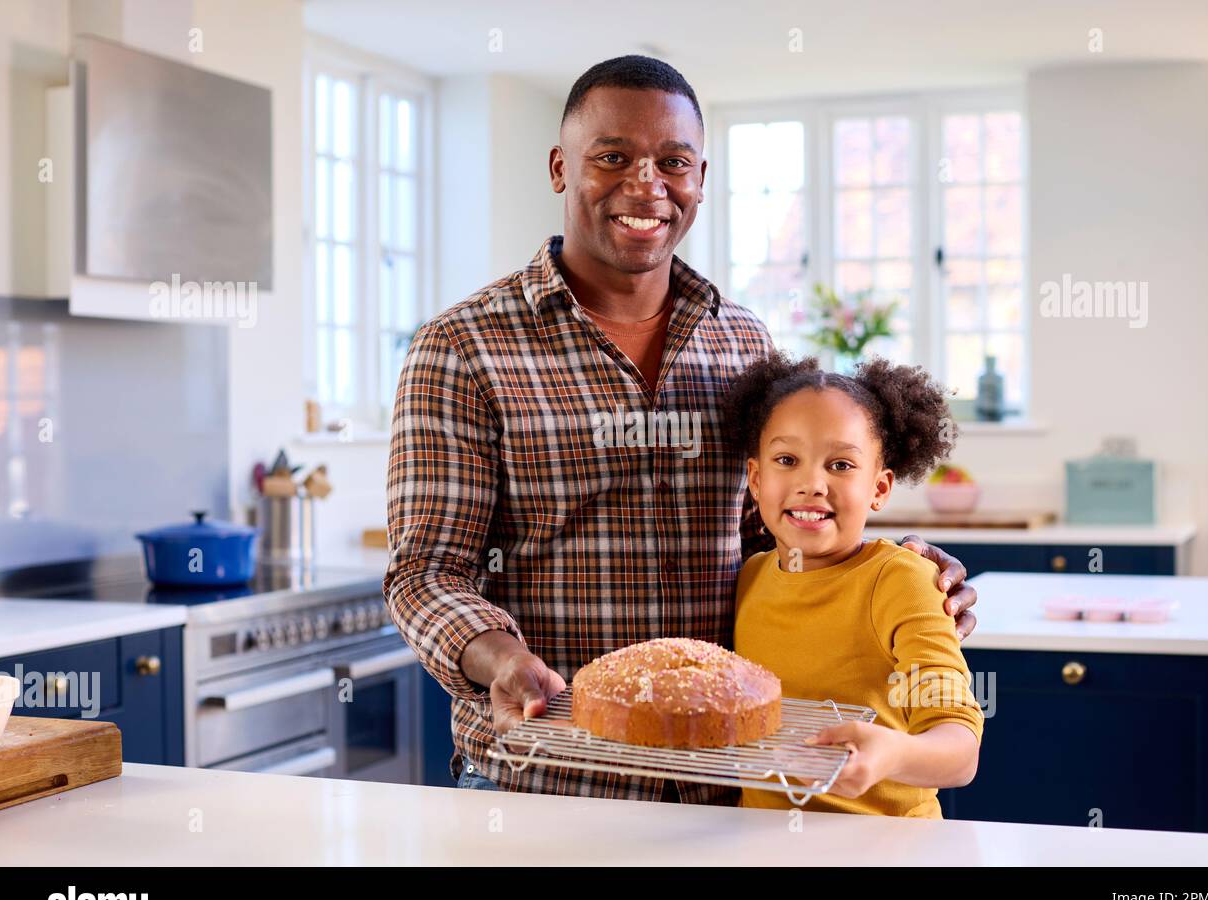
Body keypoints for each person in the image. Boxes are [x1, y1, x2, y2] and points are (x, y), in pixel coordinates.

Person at [384, 55, 979, 803]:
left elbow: (776, 537)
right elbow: (426, 572)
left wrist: (888, 575)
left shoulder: (743, 342)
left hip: (725, 788)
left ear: (700, 178)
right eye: (613, 157)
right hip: (544, 783)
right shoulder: (462, 347)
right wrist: (501, 658)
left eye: (674, 162)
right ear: (561, 167)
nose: (646, 185)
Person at [726, 351, 982, 816]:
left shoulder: (901, 580)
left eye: (841, 465)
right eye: (787, 459)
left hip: (890, 851)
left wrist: (894, 754)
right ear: (756, 480)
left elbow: (961, 752)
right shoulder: (749, 579)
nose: (812, 484)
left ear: (880, 489)